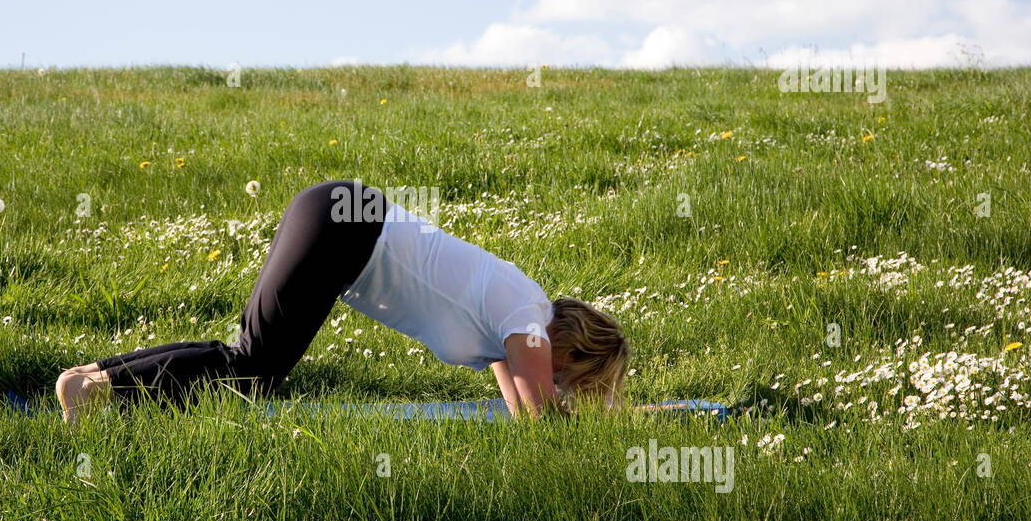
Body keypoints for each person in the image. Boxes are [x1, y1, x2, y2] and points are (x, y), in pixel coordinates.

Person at [55, 179, 630, 423]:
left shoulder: (513, 324)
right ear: (575, 352)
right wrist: (614, 423)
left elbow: (522, 414)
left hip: (338, 217)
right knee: (251, 371)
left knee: (248, 362)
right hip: (343, 225)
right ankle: (97, 391)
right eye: (580, 381)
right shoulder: (528, 319)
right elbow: (541, 419)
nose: (567, 389)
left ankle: (96, 378)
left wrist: (603, 416)